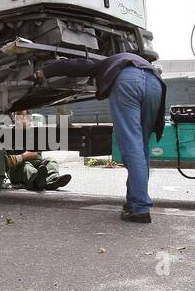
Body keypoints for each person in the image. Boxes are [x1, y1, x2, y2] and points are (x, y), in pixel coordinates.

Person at [38, 52, 165, 223]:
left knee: (132, 146)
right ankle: (133, 202)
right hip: (155, 83)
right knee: (141, 147)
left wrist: (43, 72)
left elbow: (73, 65)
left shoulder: (105, 63)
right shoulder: (126, 59)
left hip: (129, 82)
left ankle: (139, 207)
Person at [6, 151, 71, 191]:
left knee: (50, 160)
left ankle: (52, 180)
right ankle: (37, 180)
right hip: (17, 169)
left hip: (39, 167)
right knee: (26, 166)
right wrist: (19, 158)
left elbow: (34, 153)